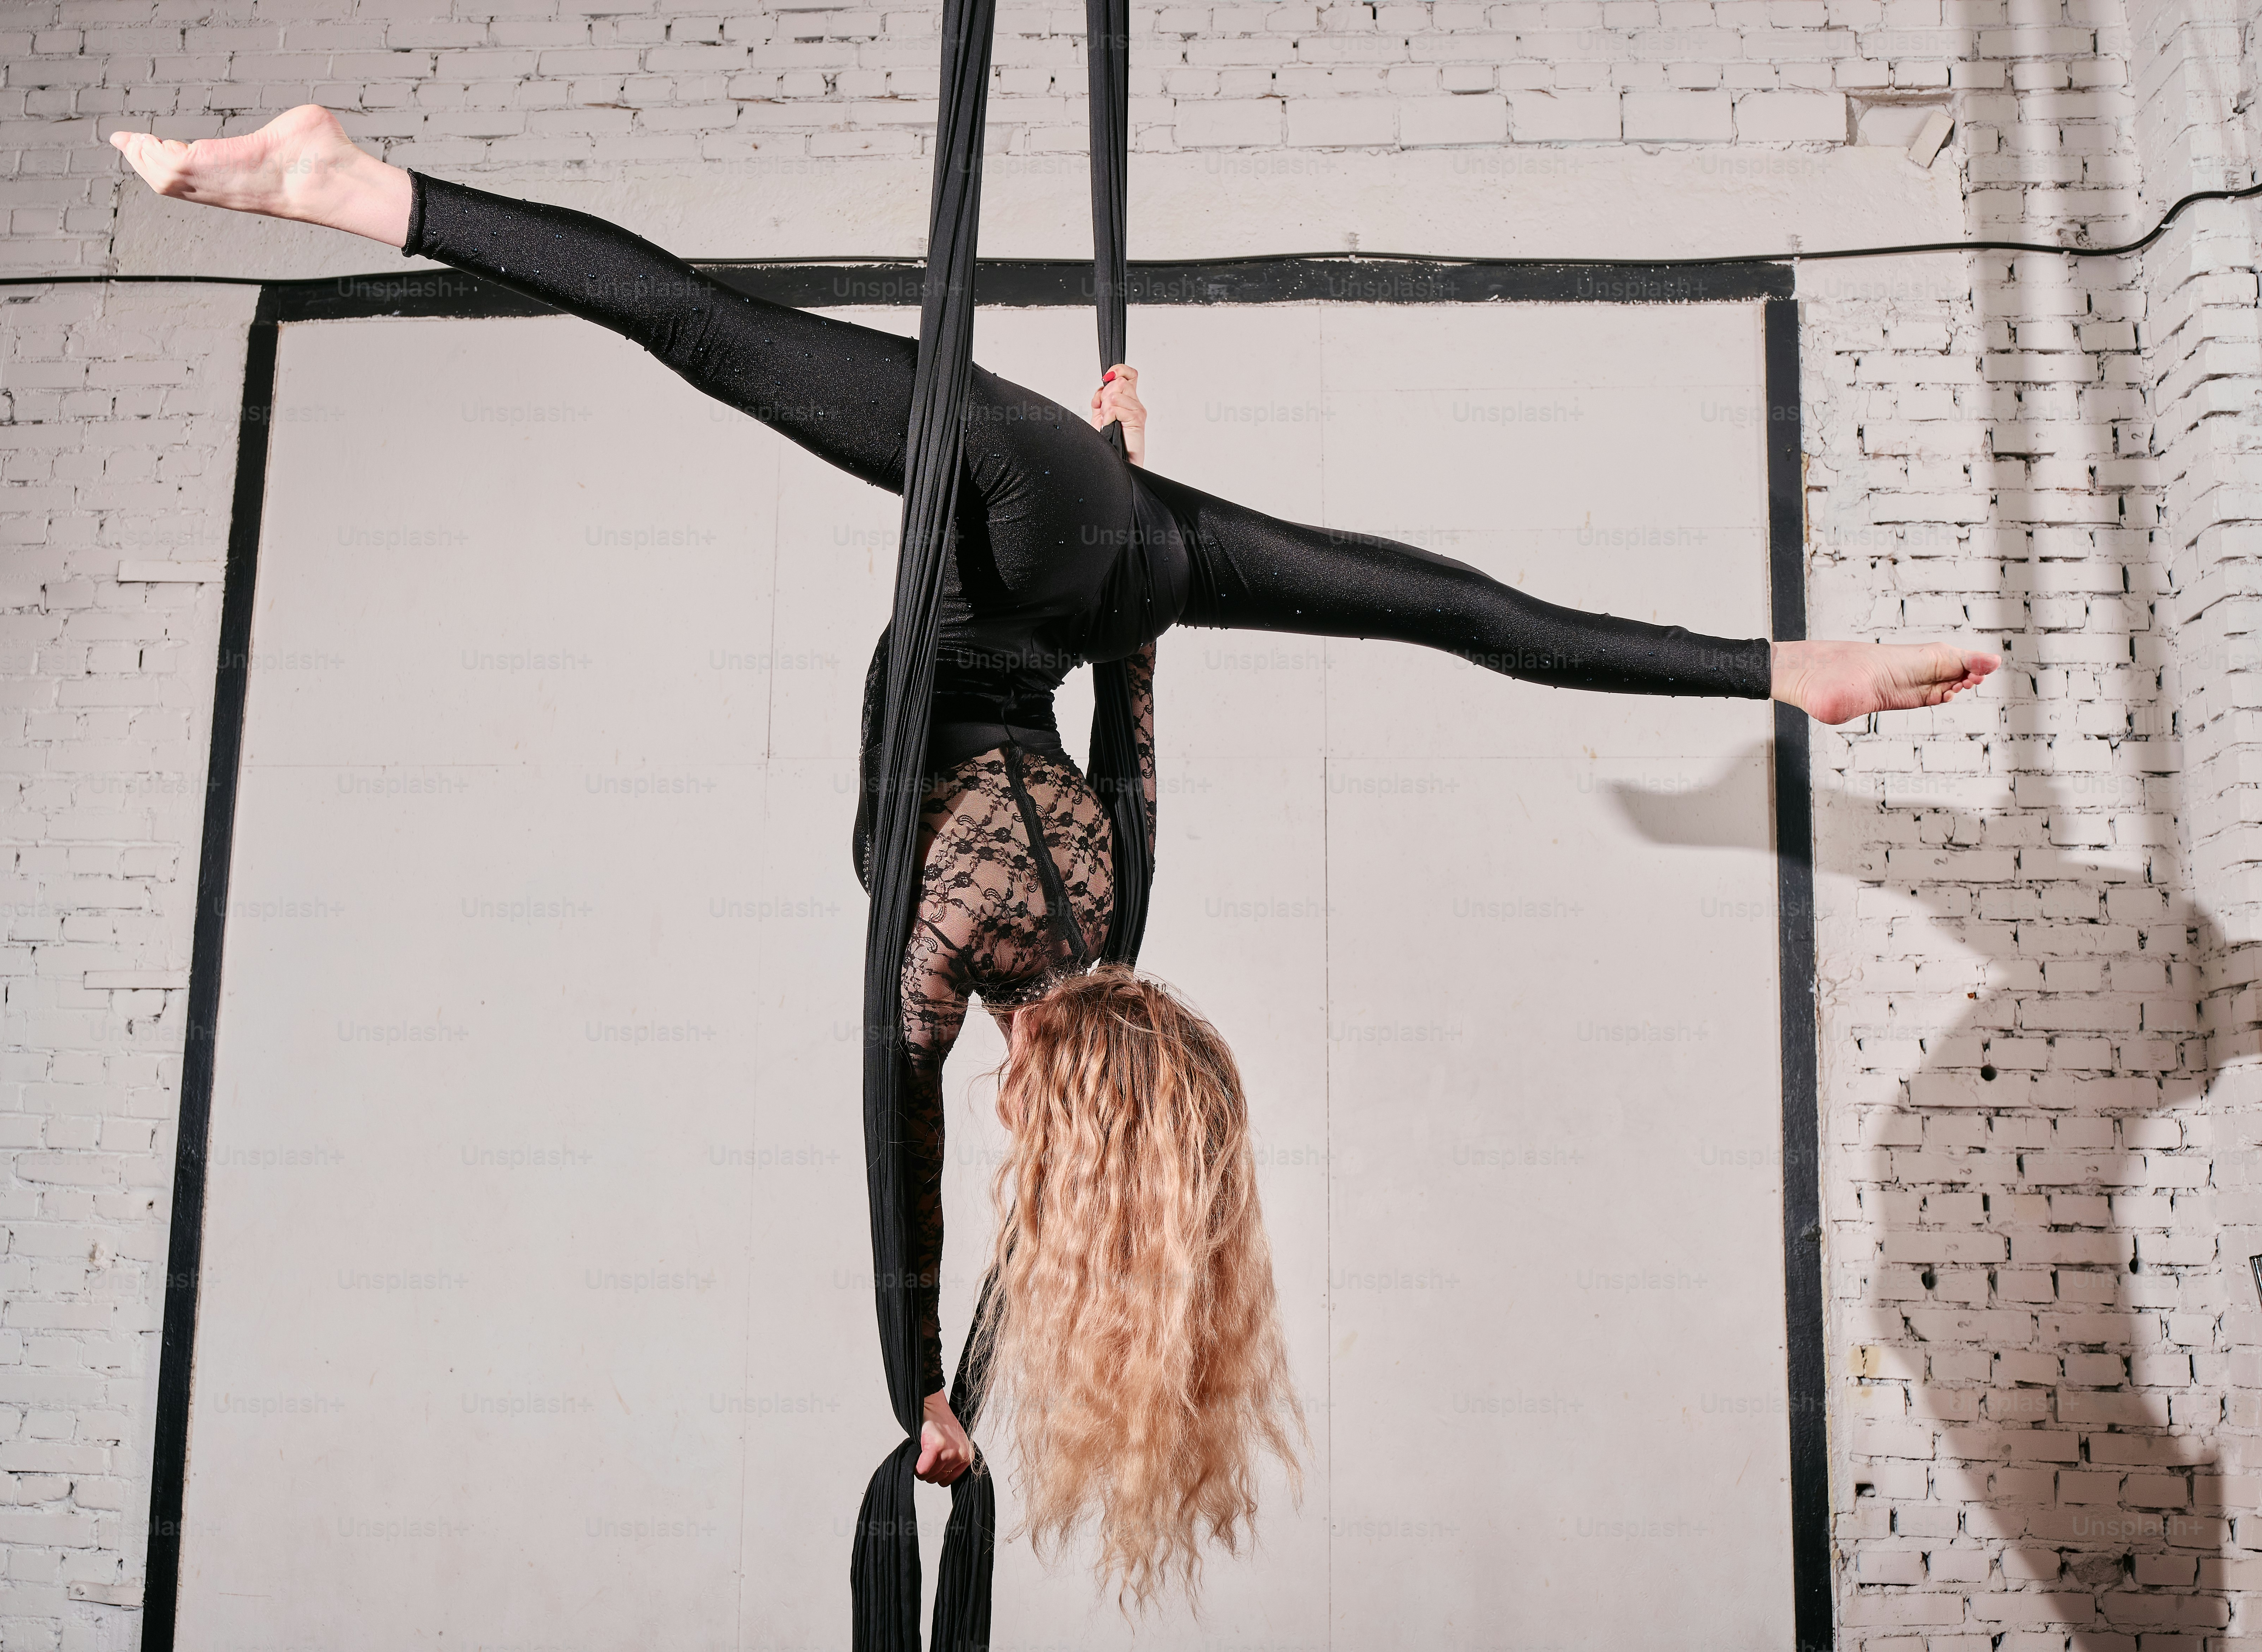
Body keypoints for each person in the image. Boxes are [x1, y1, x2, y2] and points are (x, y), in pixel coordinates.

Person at [109, 104, 1998, 1591]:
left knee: (1458, 611)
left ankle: (1786, 671)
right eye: (1043, 1142)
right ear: (1054, 1106)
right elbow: (900, 1184)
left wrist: (1112, 469)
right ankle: (341, 180)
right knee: (692, 328)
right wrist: (921, 1386)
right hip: (1010, 535)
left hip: (1126, 564)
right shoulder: (925, 970)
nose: (1009, 1139)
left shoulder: (1116, 922)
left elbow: (1137, 726)